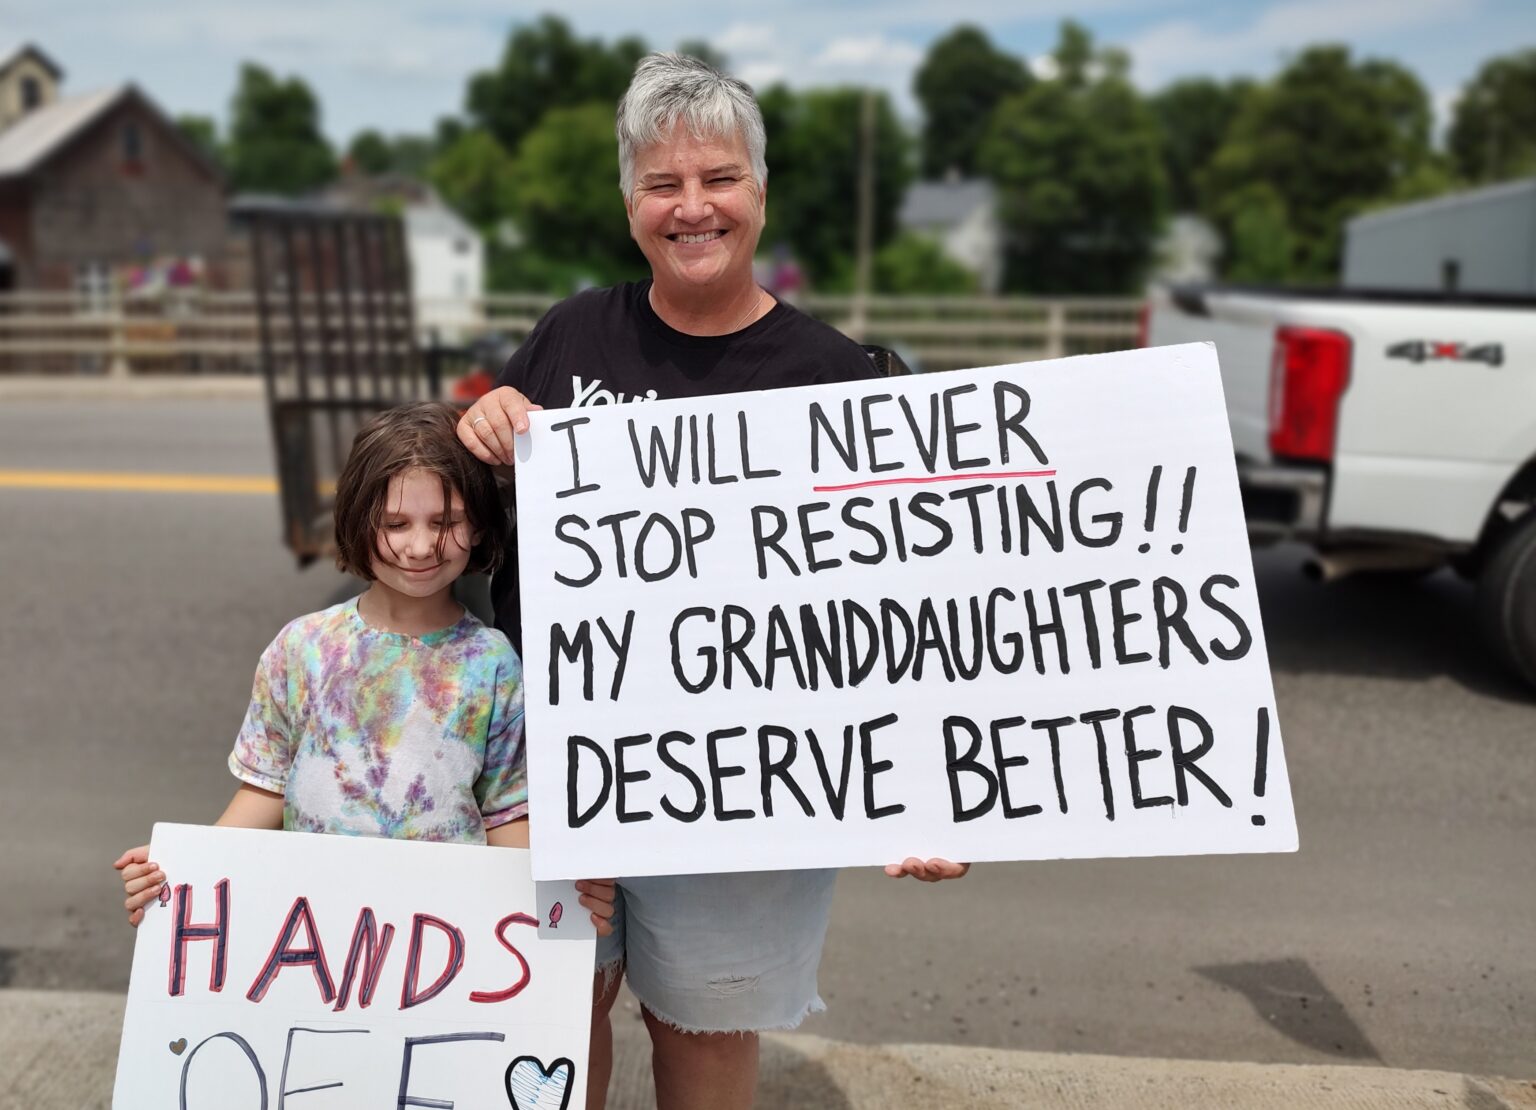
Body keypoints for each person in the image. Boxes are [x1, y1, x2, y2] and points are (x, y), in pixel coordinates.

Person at [455, 54, 968, 1110]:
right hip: (557, 768)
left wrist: (932, 785)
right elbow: (468, 527)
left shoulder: (839, 377)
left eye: (719, 178)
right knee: (551, 1016)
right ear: (630, 203)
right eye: (662, 184)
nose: (693, 207)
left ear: (761, 192)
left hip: (747, 792)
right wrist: (481, 427)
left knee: (702, 1030)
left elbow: (906, 609)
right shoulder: (570, 332)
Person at [114, 402, 615, 935]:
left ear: (478, 527)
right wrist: (186, 872)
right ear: (357, 518)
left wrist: (565, 898)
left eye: (445, 522)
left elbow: (506, 813)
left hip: (444, 939)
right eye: (395, 523)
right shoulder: (302, 648)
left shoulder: (492, 663)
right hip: (316, 935)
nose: (420, 546)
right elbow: (265, 788)